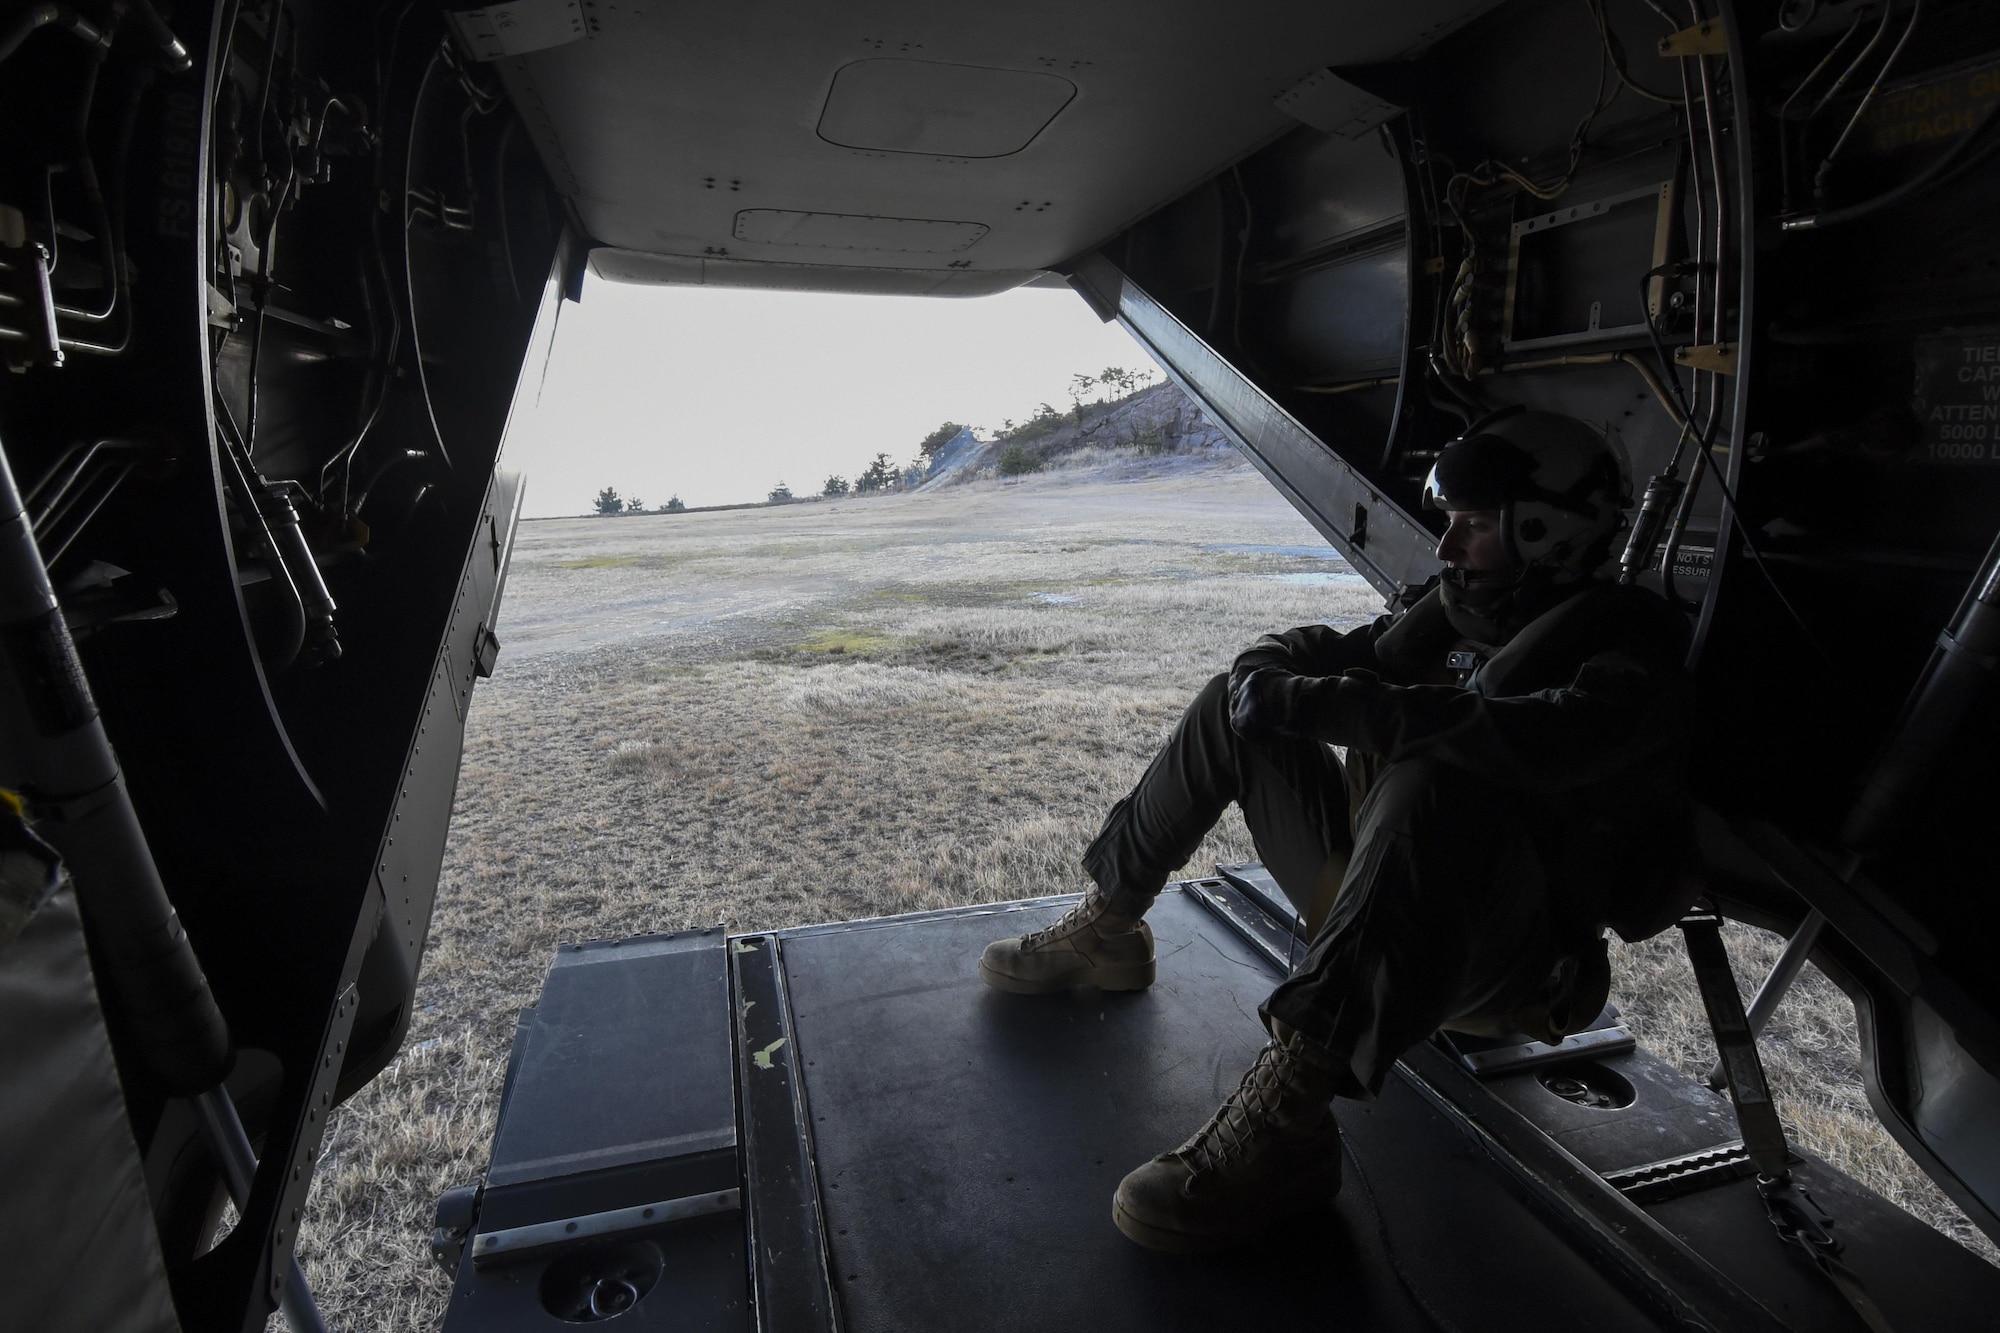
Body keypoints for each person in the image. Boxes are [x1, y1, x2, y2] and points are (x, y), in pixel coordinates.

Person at [977, 408, 1697, 1254]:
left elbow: (1539, 737)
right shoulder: (1450, 616)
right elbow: (1328, 656)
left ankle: (1294, 1113)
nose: (1446, 550)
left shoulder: (1629, 641)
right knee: (1227, 707)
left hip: (1504, 966)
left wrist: (1346, 703)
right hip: (1373, 911)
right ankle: (1110, 923)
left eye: (1470, 527)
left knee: (1439, 775)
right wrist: (1265, 673)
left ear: (1541, 530)